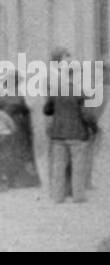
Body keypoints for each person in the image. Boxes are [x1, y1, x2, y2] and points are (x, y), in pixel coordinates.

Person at [43, 51, 99, 204]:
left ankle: (57, 197)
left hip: (58, 134)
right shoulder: (81, 92)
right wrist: (93, 128)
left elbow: (47, 111)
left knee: (58, 167)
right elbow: (86, 114)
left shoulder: (55, 91)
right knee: (78, 167)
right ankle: (78, 196)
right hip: (77, 134)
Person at [0, 64, 40, 190]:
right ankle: (16, 180)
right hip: (16, 127)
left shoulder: (13, 95)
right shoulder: (13, 96)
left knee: (14, 153)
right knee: (15, 153)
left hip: (17, 127)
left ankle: (14, 180)